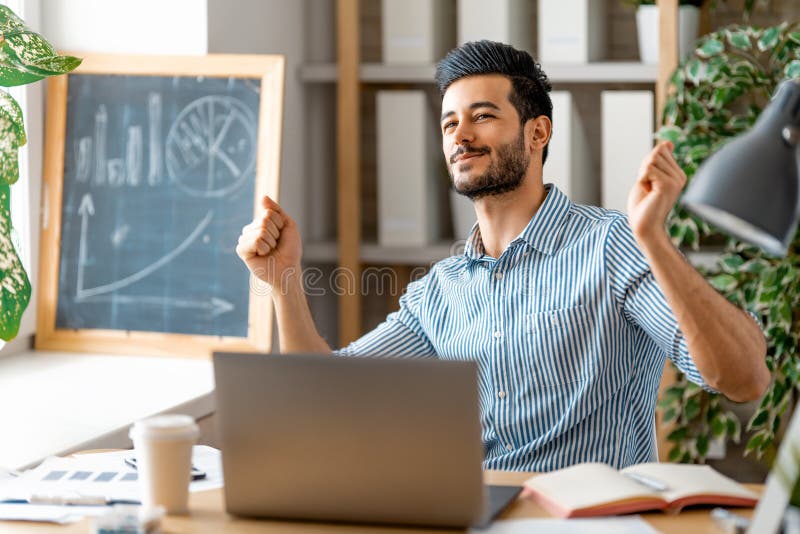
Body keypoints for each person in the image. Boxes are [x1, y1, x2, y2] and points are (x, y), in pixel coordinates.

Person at [235, 40, 769, 471]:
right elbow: (327, 396)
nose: (460, 136)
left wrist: (652, 238)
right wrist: (281, 280)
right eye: (448, 124)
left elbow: (744, 378)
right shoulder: (439, 292)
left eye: (482, 116)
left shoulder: (612, 245)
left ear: (537, 132)